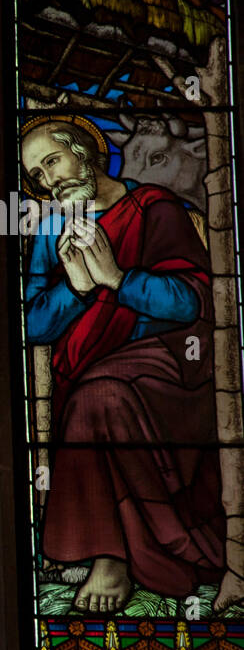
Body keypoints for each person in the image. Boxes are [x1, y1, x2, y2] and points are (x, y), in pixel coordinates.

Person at [21, 116, 231, 613]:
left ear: (86, 151)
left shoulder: (155, 209)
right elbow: (32, 324)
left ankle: (112, 558)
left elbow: (192, 302)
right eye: (36, 176)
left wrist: (118, 279)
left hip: (173, 366)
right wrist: (75, 288)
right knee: (96, 393)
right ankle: (113, 549)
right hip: (94, 368)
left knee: (100, 395)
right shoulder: (52, 227)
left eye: (52, 161)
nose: (49, 180)